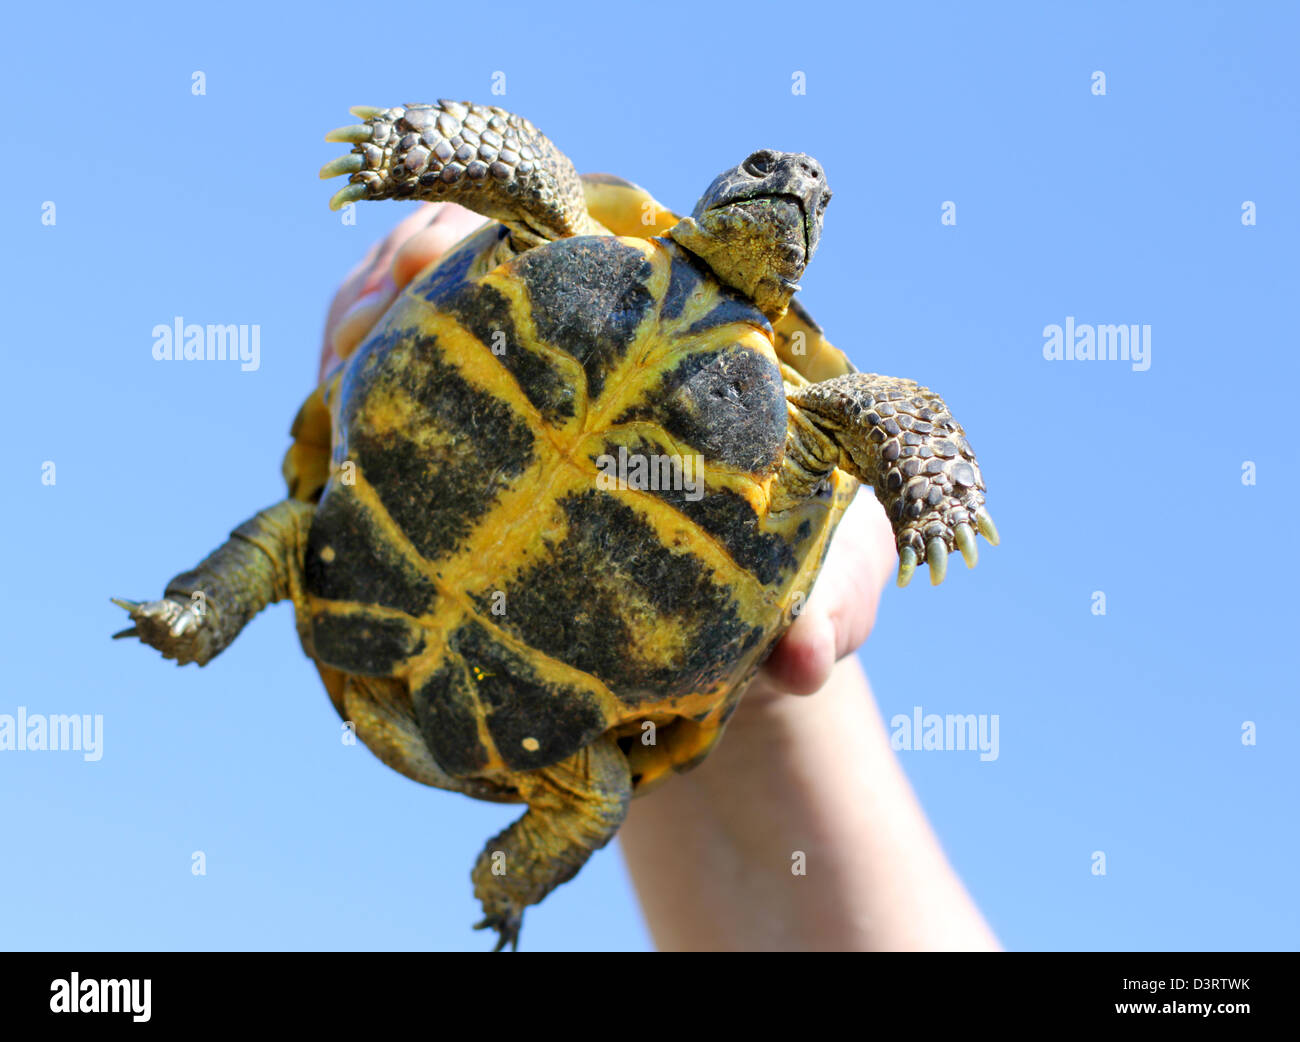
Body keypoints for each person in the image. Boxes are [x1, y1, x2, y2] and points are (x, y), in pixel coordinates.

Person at [320, 204, 1001, 952]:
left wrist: (937, 494)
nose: (796, 187)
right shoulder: (571, 221)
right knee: (289, 540)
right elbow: (522, 182)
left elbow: (899, 420)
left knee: (596, 794)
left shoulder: (824, 411)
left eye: (817, 198)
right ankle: (202, 605)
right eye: (768, 168)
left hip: (538, 691)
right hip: (375, 535)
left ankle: (507, 881)